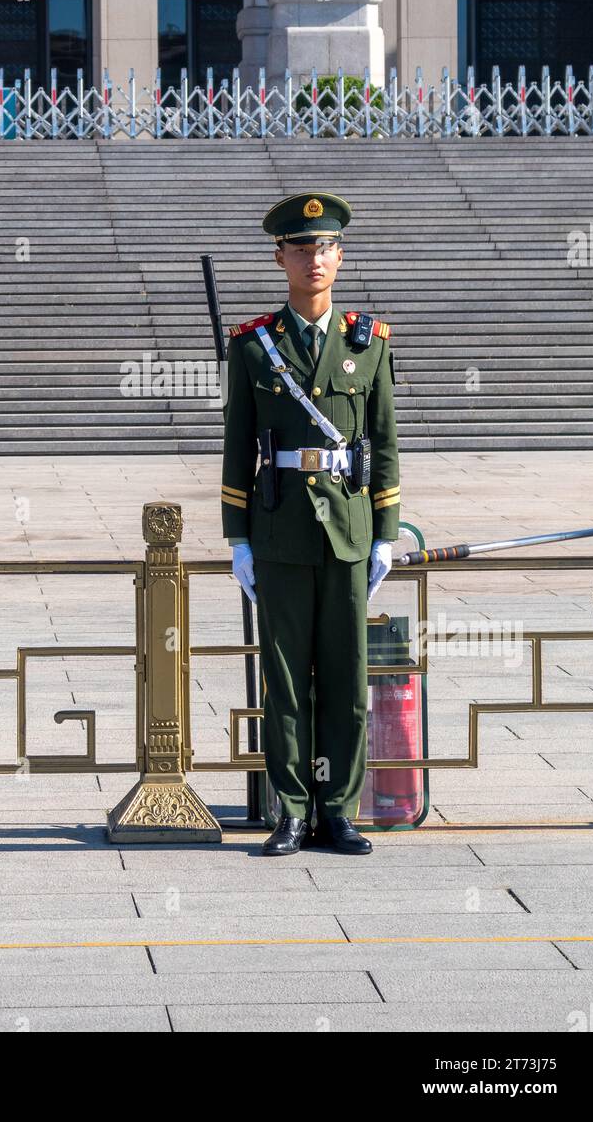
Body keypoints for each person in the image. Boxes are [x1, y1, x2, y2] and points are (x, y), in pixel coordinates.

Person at [221, 191, 400, 856]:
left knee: (347, 676)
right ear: (280, 257)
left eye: (324, 247)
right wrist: (237, 539)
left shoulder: (368, 344)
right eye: (301, 248)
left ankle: (340, 809)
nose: (314, 258)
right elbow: (238, 444)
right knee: (287, 676)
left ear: (340, 257)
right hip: (281, 530)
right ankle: (291, 809)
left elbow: (381, 441)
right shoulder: (254, 346)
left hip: (349, 527)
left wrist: (386, 532)